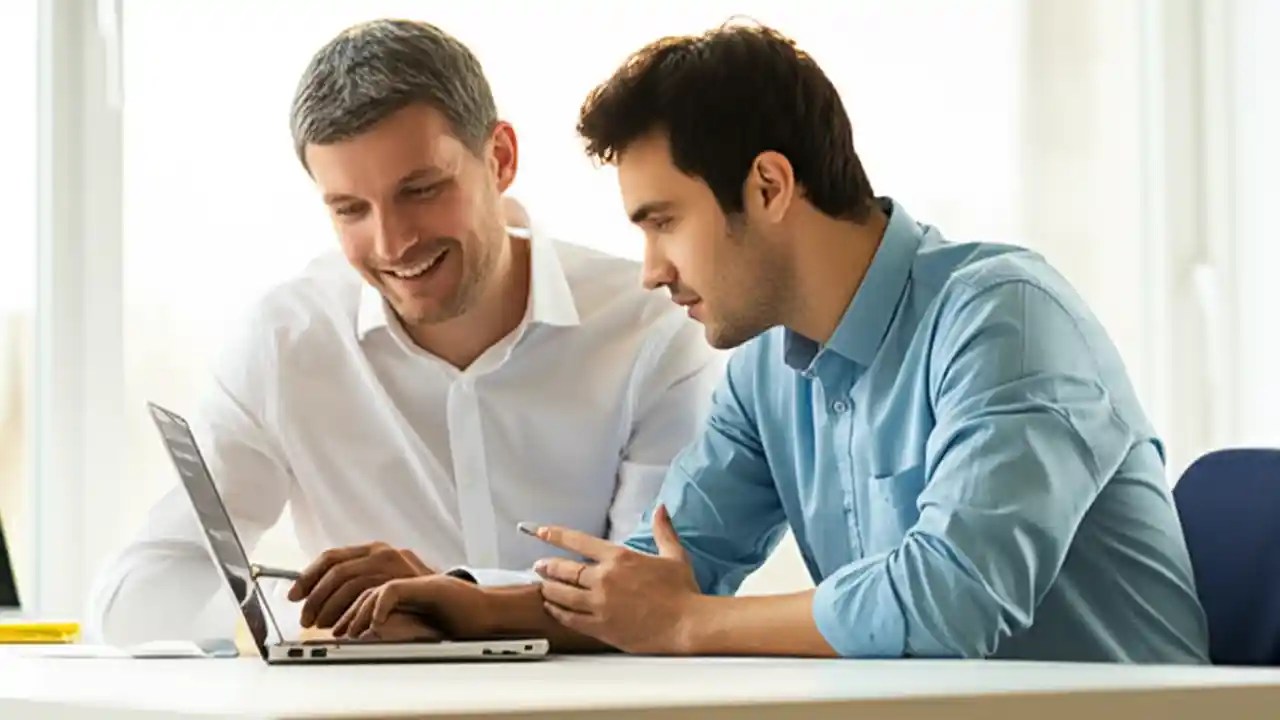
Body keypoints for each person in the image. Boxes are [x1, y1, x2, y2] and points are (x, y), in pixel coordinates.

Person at [331, 22, 1211, 664]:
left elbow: (949, 603)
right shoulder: (765, 369)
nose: (650, 270)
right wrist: (470, 609)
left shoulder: (1004, 320)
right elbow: (659, 576)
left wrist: (688, 626)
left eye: (664, 222)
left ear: (768, 185)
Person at [86, 19, 721, 646]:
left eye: (421, 190)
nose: (392, 243)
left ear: (500, 160)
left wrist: (451, 598)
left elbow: (663, 591)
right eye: (350, 210)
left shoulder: (649, 329)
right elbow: (134, 599)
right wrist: (322, 611)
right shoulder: (287, 342)